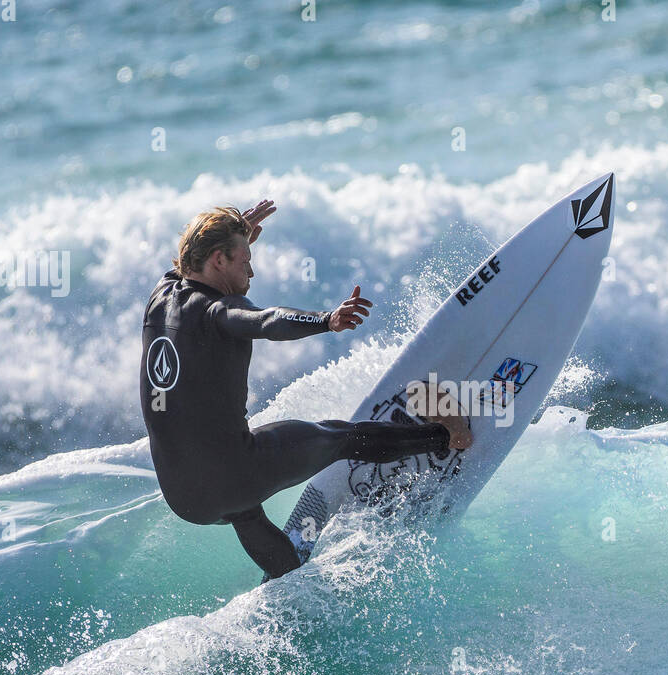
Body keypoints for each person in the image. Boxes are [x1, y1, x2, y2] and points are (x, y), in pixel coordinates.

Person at [140, 202, 471, 579]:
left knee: (243, 509)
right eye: (244, 260)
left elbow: (189, 265)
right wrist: (325, 320)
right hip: (235, 472)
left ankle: (285, 574)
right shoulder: (218, 310)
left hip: (185, 499)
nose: (252, 270)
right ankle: (448, 435)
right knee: (340, 437)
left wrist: (235, 236)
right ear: (217, 260)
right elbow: (267, 321)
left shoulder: (160, 296)